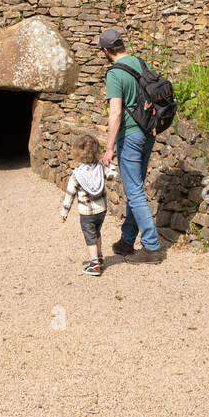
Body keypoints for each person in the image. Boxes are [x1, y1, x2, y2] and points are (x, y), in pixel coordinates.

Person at [99, 28, 163, 262]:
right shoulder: (141, 63)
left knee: (134, 191)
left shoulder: (115, 74)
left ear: (106, 51)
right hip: (148, 133)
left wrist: (109, 148)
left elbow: (115, 113)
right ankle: (127, 241)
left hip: (131, 136)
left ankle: (152, 247)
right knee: (135, 188)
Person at [61, 133, 116, 275]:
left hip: (87, 213)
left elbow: (70, 194)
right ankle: (99, 256)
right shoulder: (100, 168)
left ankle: (94, 264)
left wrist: (65, 211)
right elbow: (113, 175)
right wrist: (111, 165)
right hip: (101, 210)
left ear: (77, 153)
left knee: (90, 236)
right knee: (97, 233)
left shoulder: (76, 174)